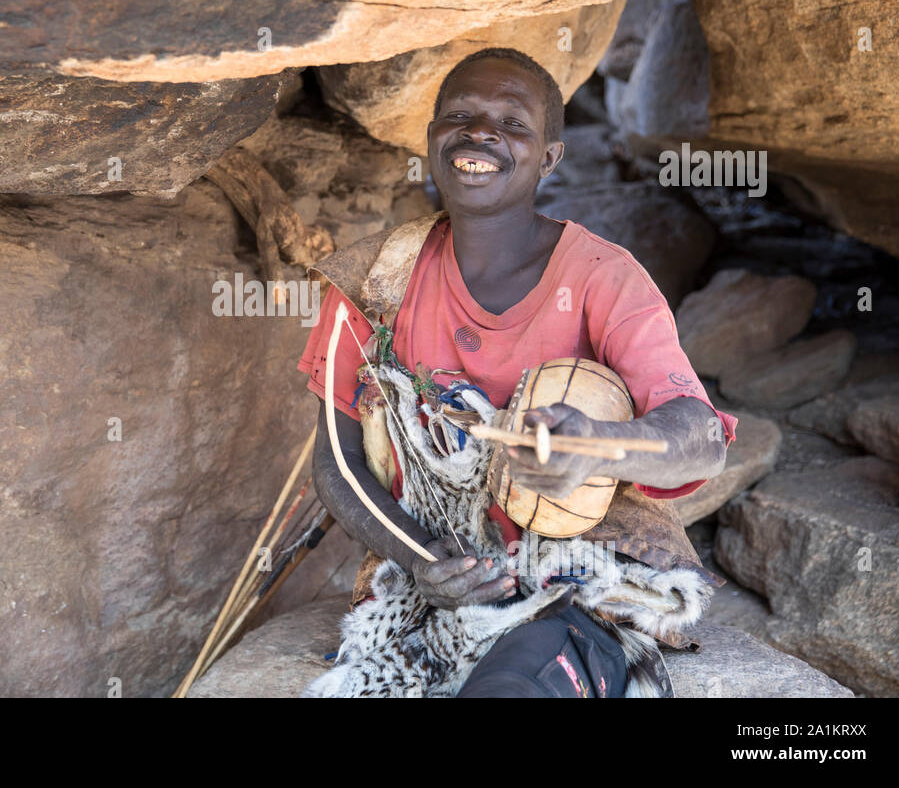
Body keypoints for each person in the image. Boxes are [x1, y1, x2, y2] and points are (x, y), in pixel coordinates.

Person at [297, 47, 738, 697]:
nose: (481, 132)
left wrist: (594, 447)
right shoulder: (370, 283)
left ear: (549, 157)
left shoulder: (602, 278)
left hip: (581, 578)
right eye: (461, 116)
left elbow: (698, 437)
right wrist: (421, 557)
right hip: (432, 578)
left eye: (512, 122)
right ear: (433, 138)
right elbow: (335, 463)